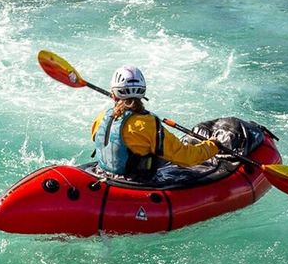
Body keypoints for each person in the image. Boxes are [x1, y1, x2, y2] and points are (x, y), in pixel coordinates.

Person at [90, 65, 220, 181]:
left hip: (102, 174)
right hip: (134, 182)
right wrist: (213, 146)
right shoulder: (147, 124)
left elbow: (100, 140)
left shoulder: (102, 117)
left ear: (113, 95)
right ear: (142, 93)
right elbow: (186, 158)